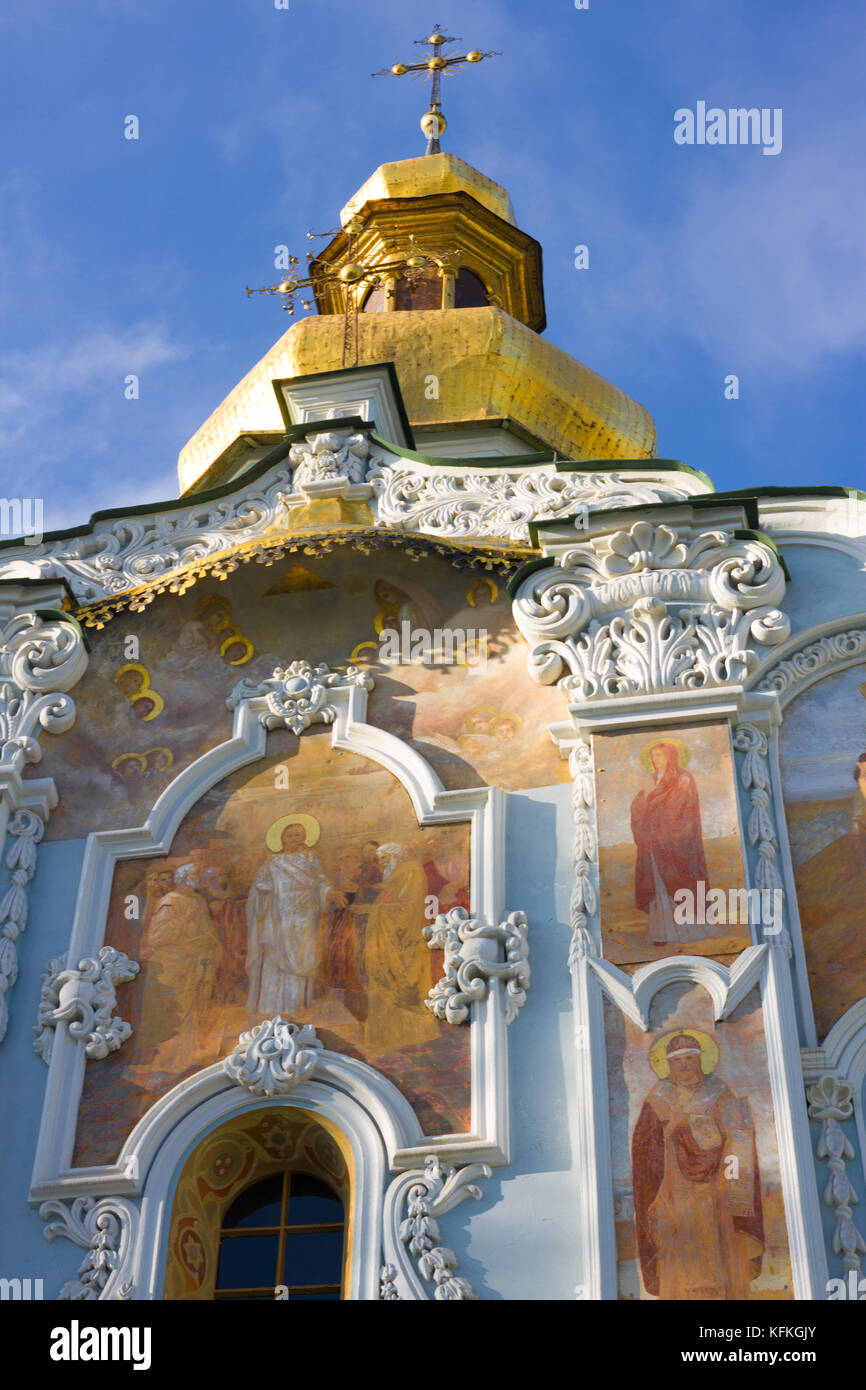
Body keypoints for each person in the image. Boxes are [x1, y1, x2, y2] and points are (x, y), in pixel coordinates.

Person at [631, 1033, 764, 1300]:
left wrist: (721, 1139)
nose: (686, 1067)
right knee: (680, 1245)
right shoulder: (658, 1098)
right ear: (668, 1065)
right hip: (674, 1191)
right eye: (679, 1061)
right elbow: (643, 1149)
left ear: (702, 1060)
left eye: (691, 1059)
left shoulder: (720, 1092)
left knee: (722, 1241)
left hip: (718, 1190)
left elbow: (740, 1138)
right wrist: (669, 1130)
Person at [136, 863, 223, 1059]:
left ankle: (189, 1053)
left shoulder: (198, 900)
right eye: (194, 874)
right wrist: (185, 919)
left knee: (196, 1011)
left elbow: (207, 931)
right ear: (183, 877)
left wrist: (211, 944)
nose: (198, 878)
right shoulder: (171, 901)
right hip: (176, 967)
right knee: (178, 1012)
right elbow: (157, 937)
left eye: (199, 873)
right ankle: (170, 1057)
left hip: (197, 963)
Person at [245, 822, 329, 1015]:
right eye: (289, 835)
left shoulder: (311, 858)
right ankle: (272, 1006)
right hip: (278, 918)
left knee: (302, 958)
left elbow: (321, 883)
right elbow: (259, 885)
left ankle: (297, 1006)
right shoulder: (273, 862)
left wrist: (329, 894)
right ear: (282, 839)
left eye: (298, 835)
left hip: (304, 918)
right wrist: (263, 892)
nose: (293, 839)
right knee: (276, 959)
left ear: (305, 838)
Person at [630, 741, 709, 945]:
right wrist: (647, 800)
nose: (655, 760)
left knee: (678, 882)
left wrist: (655, 808)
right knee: (657, 883)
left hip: (676, 843)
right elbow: (639, 805)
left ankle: (688, 931)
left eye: (659, 755)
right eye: (653, 756)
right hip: (653, 843)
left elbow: (682, 805)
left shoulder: (683, 778)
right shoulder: (651, 781)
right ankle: (661, 932)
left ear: (670, 756)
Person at [364, 842, 440, 1055]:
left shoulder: (411, 871)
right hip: (389, 940)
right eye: (380, 860)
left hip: (404, 940)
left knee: (405, 986)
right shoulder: (399, 874)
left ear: (396, 855)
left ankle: (412, 1035)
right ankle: (386, 1037)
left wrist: (373, 910)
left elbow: (407, 908)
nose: (381, 863)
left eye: (384, 858)